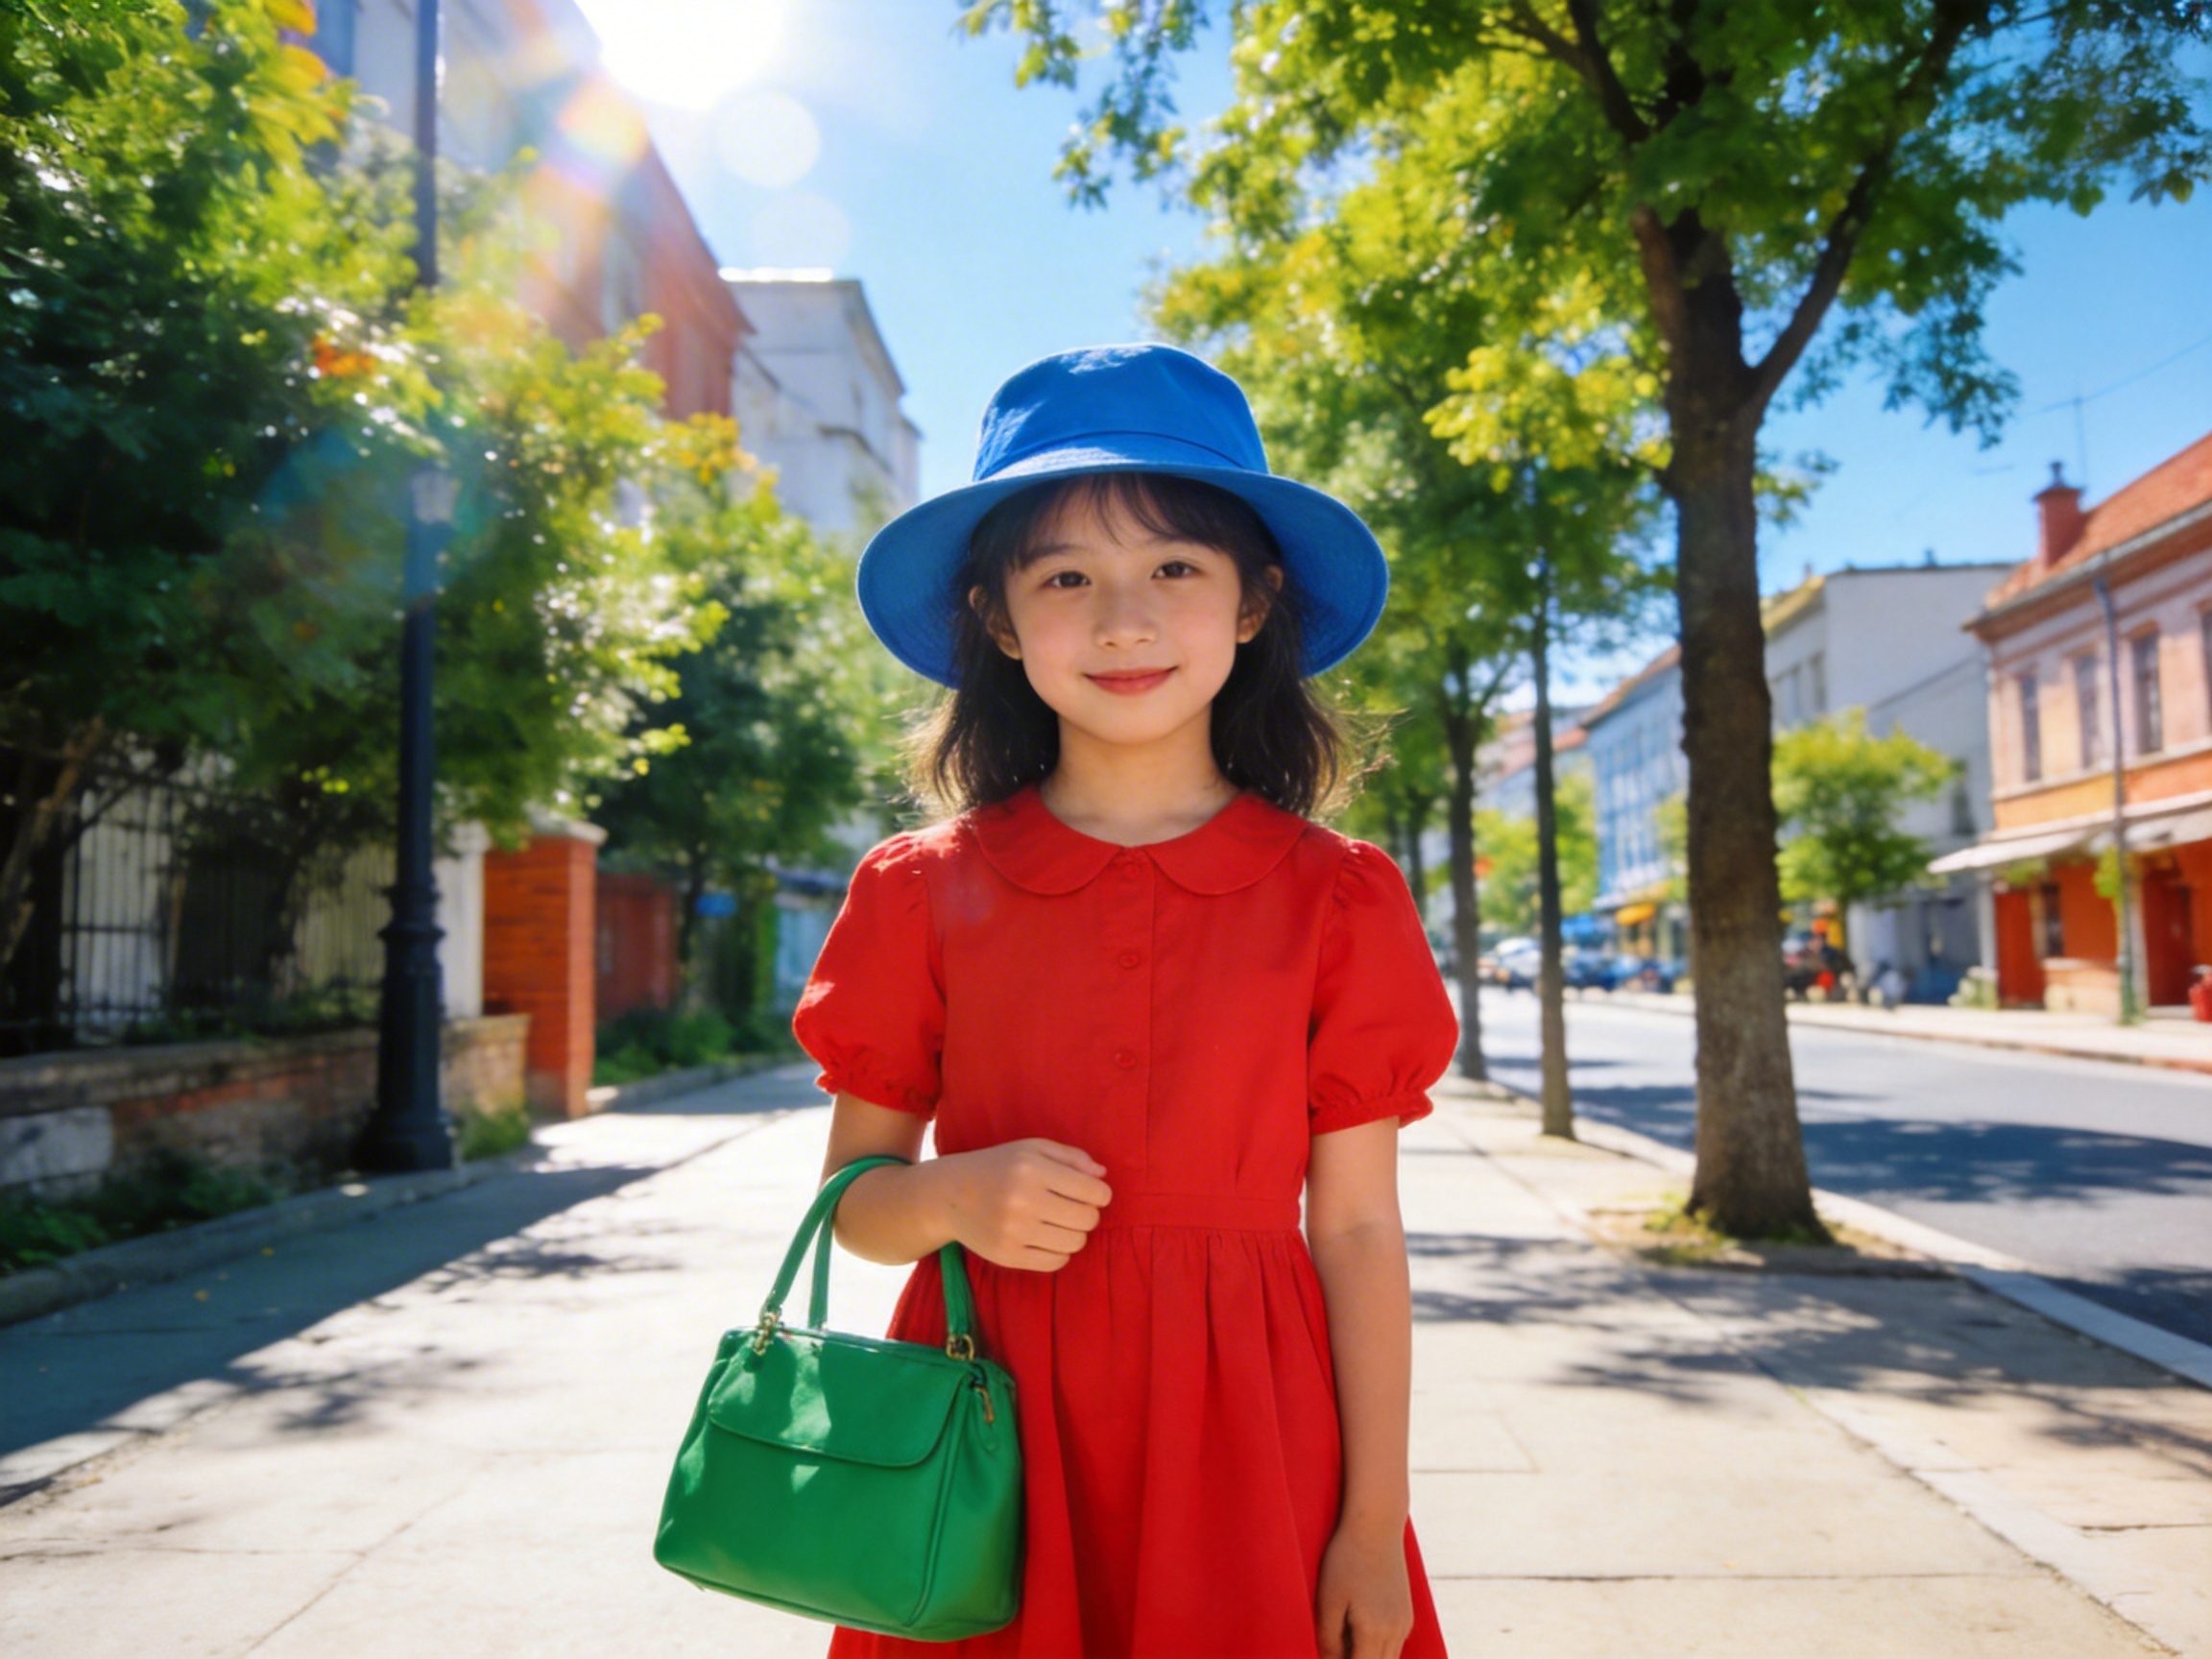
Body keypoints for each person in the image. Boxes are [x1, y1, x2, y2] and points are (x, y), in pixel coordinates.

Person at [793, 344, 1457, 1659]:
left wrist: (1372, 1522)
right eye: (1065, 578)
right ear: (996, 616)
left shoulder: (1339, 898)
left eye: (1174, 568)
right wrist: (950, 1197)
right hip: (985, 1443)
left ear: (1255, 602)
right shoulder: (917, 890)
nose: (1122, 621)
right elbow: (851, 1209)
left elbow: (1364, 1234)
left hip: (1256, 1445)